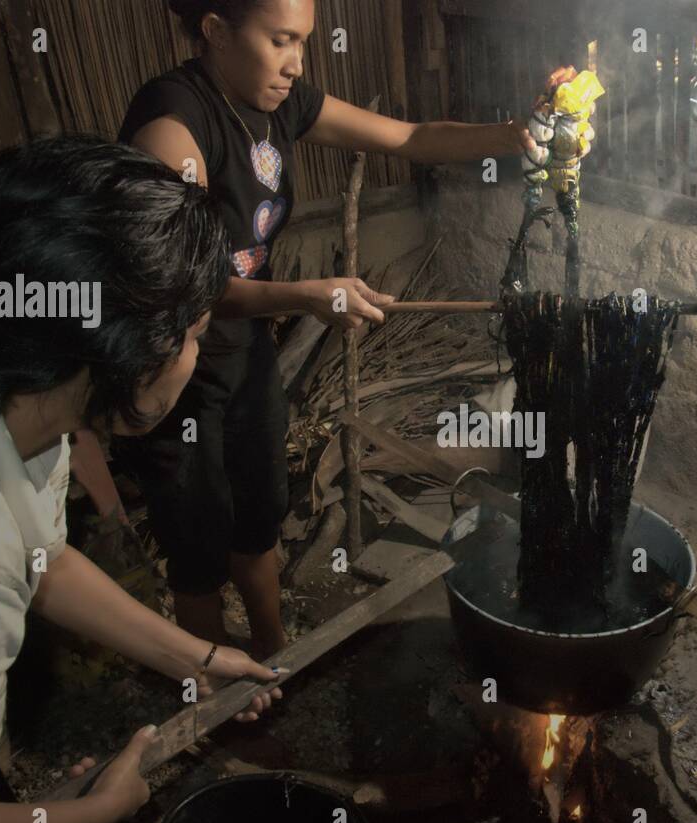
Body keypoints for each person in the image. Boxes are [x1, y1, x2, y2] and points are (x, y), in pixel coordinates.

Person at [0, 136, 283, 823]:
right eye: (195, 335)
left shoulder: (3, 384)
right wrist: (86, 814)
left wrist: (195, 657)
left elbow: (40, 558)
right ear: (128, 352)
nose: (197, 356)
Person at [118, 0, 537, 658]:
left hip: (245, 350)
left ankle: (271, 652)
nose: (297, 64)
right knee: (195, 539)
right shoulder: (174, 127)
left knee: (259, 512)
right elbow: (181, 288)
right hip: (176, 365)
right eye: (281, 41)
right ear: (217, 32)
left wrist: (513, 134)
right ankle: (210, 689)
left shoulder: (282, 101)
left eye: (304, 43)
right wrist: (309, 296)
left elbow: (409, 137)